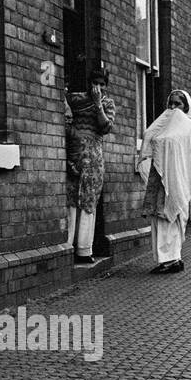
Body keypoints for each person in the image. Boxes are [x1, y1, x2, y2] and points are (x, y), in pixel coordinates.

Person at [138, 89, 191, 274]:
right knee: (159, 219)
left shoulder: (189, 127)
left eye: (178, 104)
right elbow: (150, 135)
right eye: (171, 104)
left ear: (186, 107)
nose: (173, 108)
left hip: (178, 182)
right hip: (160, 180)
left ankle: (172, 259)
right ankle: (165, 260)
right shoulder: (164, 124)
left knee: (172, 220)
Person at [65, 68, 116, 265]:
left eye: (102, 84)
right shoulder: (76, 99)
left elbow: (105, 127)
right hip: (75, 152)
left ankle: (84, 249)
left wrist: (97, 105)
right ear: (89, 83)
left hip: (93, 156)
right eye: (95, 83)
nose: (99, 87)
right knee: (71, 198)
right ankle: (67, 246)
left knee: (88, 199)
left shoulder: (107, 104)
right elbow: (65, 107)